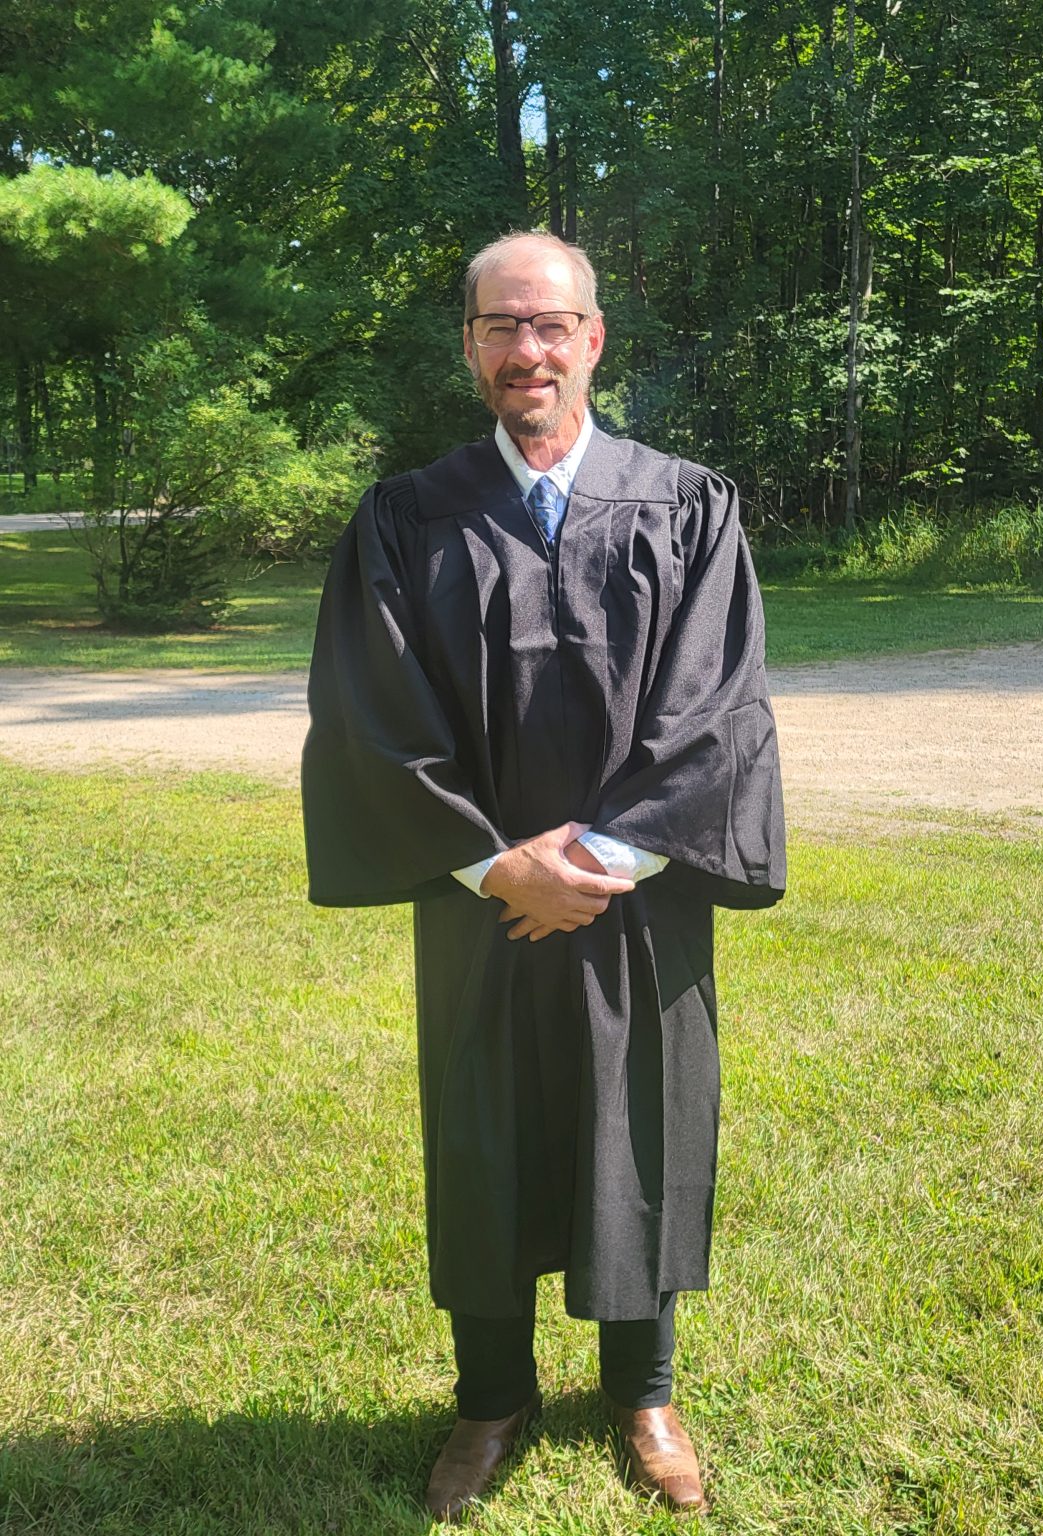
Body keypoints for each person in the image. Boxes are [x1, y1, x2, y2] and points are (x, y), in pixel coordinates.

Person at [300, 231, 786, 1520]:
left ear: (594, 338)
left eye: (552, 325)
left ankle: (646, 1387)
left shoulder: (689, 505)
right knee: (483, 1131)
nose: (529, 350)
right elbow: (372, 712)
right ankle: (489, 1399)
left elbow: (715, 709)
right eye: (502, 327)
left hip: (641, 899)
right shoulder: (409, 518)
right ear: (469, 346)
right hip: (480, 909)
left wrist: (596, 859)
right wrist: (488, 861)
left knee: (645, 1119)